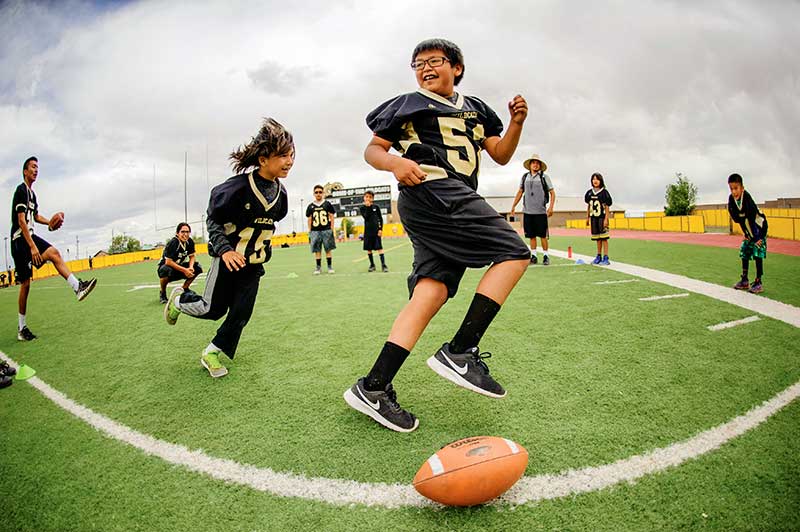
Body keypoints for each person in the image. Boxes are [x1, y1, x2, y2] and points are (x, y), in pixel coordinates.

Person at [343, 38, 530, 433]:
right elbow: (373, 149)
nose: (425, 68)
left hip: (448, 198)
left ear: (456, 67)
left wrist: (516, 124)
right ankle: (460, 352)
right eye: (418, 63)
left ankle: (374, 387)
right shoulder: (408, 102)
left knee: (433, 290)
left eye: (434, 61)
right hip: (433, 188)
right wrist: (395, 163)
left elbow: (500, 154)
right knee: (514, 251)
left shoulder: (476, 109)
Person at [164, 118, 293, 378]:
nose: (289, 160)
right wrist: (225, 249)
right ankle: (179, 300)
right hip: (226, 263)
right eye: (282, 155)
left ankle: (211, 351)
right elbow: (213, 219)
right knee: (212, 310)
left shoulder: (282, 196)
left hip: (253, 266)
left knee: (241, 314)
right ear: (263, 159)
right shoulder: (236, 188)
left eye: (291, 154)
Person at [10, 156, 97, 341]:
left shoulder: (32, 195)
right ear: (25, 171)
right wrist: (33, 247)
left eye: (37, 167)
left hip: (28, 238)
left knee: (53, 253)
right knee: (25, 284)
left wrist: (49, 221)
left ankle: (78, 287)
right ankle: (21, 328)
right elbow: (21, 221)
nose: (36, 170)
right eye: (32, 167)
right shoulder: (21, 190)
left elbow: (34, 216)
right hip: (20, 240)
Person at [510, 154, 555, 265]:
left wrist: (551, 207)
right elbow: (520, 192)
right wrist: (514, 205)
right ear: (529, 165)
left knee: (543, 236)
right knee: (531, 236)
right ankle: (534, 256)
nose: (535, 165)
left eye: (537, 163)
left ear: (540, 165)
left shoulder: (544, 177)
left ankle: (546, 256)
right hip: (528, 211)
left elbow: (552, 193)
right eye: (533, 162)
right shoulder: (525, 177)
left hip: (540, 211)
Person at [727, 173, 767, 294]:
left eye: (736, 188)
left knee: (757, 252)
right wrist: (746, 234)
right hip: (749, 230)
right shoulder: (731, 200)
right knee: (744, 250)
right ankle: (744, 280)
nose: (734, 191)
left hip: (759, 229)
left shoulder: (747, 199)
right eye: (731, 188)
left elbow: (751, 220)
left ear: (742, 188)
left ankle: (758, 282)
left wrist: (757, 238)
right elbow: (738, 219)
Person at [157, 222, 203, 304]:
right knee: (165, 269)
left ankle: (185, 289)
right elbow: (168, 262)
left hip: (178, 267)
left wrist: (191, 267)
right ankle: (162, 293)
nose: (185, 234)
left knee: (198, 267)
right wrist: (185, 270)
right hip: (167, 267)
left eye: (187, 232)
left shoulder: (189, 242)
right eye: (183, 232)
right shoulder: (173, 243)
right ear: (177, 233)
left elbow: (192, 256)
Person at [306, 185, 336, 274]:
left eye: (320, 192)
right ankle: (318, 268)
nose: (318, 194)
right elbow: (310, 218)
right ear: (313, 194)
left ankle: (330, 267)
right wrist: (310, 230)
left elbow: (331, 216)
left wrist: (331, 228)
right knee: (317, 250)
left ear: (323, 193)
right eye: (316, 192)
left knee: (328, 249)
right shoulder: (311, 206)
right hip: (315, 231)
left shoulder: (327, 204)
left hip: (326, 229)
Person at [585, 172, 613, 265]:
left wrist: (606, 219)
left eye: (597, 179)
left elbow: (607, 207)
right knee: (597, 238)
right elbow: (589, 205)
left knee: (604, 238)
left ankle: (606, 257)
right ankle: (598, 256)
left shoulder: (604, 192)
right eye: (593, 179)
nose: (595, 181)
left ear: (600, 180)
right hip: (594, 218)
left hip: (602, 217)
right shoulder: (589, 193)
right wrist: (587, 217)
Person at [359, 190, 388, 272]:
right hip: (368, 232)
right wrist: (368, 207)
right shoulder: (362, 208)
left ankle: (383, 265)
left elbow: (380, 219)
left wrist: (380, 229)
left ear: (373, 198)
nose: (368, 198)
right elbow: (366, 217)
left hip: (376, 232)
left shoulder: (376, 207)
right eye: (366, 197)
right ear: (364, 198)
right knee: (369, 249)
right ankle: (372, 265)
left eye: (370, 197)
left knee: (380, 248)